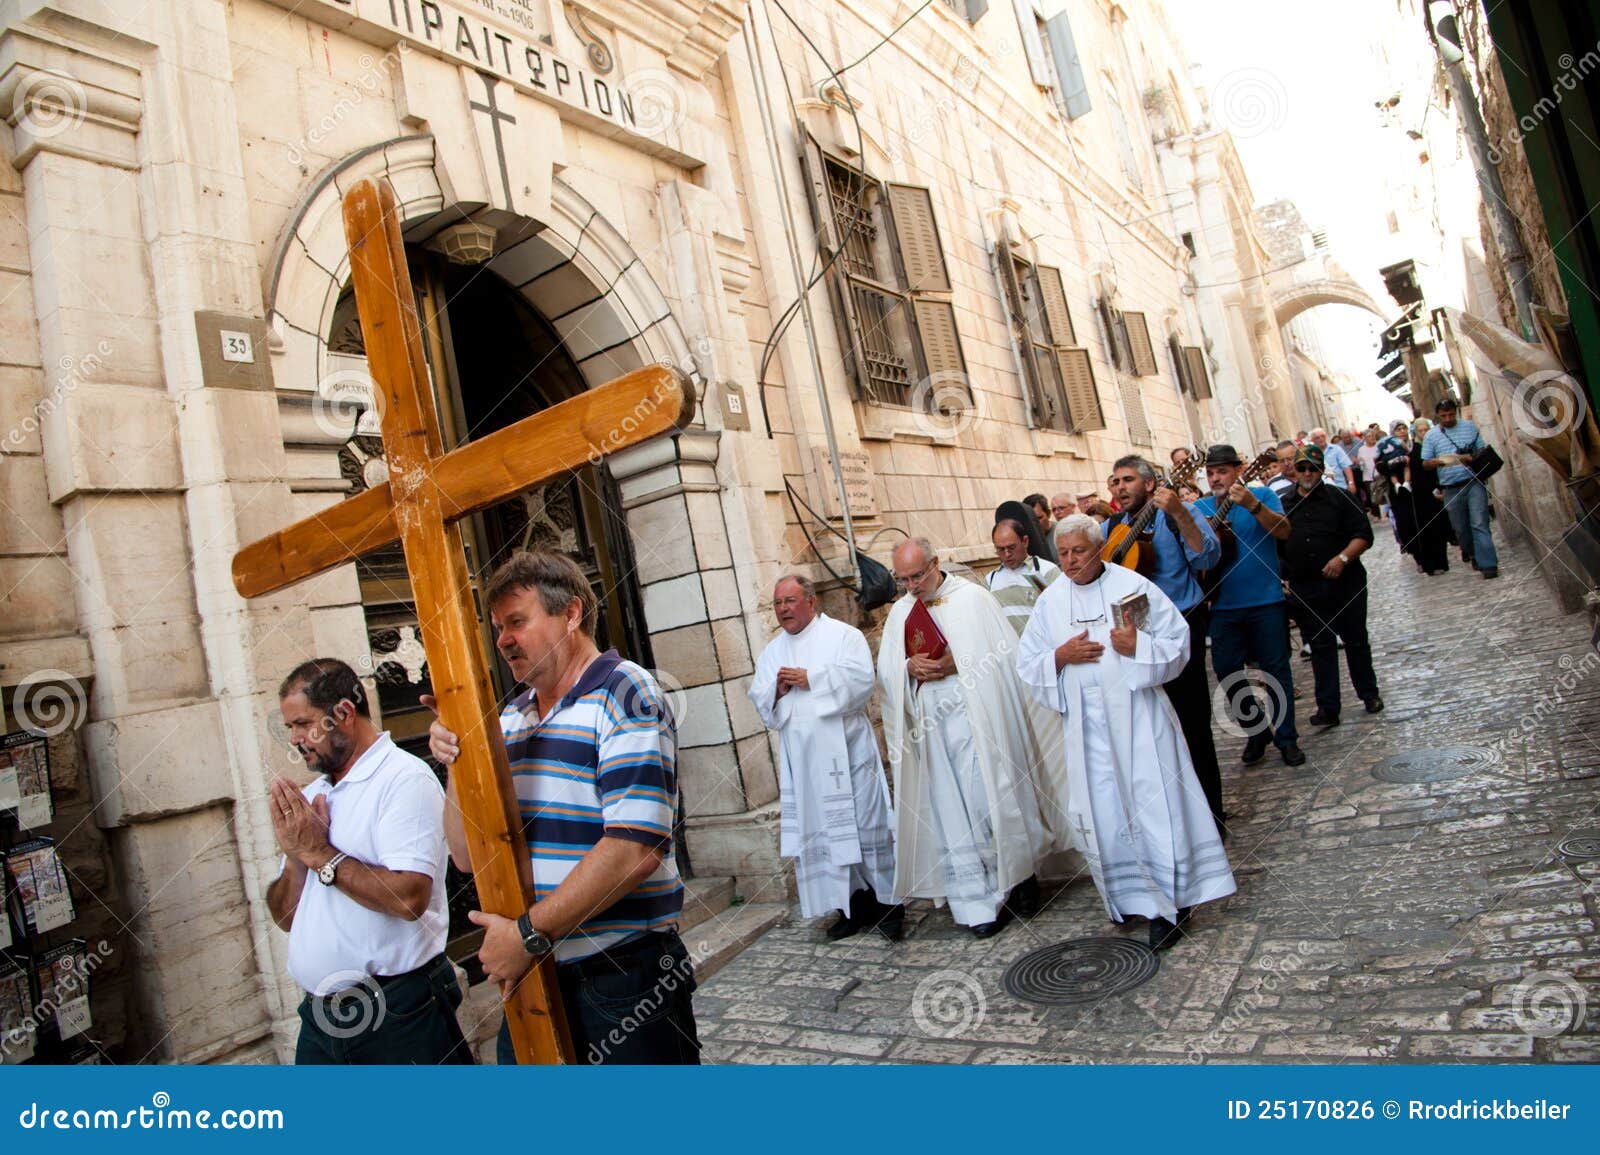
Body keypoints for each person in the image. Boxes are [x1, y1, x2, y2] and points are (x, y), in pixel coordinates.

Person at [427, 550, 699, 1065]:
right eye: (498, 627)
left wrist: (527, 933)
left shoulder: (626, 692)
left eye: (517, 621)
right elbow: (466, 856)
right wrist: (458, 764)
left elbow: (634, 850)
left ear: (571, 614)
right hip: (531, 978)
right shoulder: (509, 714)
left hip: (621, 982)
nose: (503, 639)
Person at [1017, 515, 1237, 951]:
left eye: (1078, 551)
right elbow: (1028, 663)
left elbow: (1178, 644)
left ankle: (1171, 906)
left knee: (1154, 808)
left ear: (1098, 548)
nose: (1070, 561)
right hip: (1087, 730)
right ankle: (1130, 896)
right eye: (1062, 553)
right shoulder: (1050, 601)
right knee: (1105, 811)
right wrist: (1060, 656)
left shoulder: (1132, 588)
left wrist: (1137, 646)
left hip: (1140, 722)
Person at [268, 658, 471, 1065]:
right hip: (320, 1018)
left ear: (342, 714)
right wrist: (296, 854)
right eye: (289, 727)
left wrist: (320, 854)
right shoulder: (315, 796)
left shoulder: (403, 779)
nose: (294, 738)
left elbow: (408, 898)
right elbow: (286, 916)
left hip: (396, 1011)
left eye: (303, 724)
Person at [877, 538, 1054, 937]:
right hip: (933, 730)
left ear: (936, 563)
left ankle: (1021, 880)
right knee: (952, 809)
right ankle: (977, 901)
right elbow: (886, 671)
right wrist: (908, 665)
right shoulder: (902, 611)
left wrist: (961, 661)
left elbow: (1007, 654)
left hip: (980, 720)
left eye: (917, 576)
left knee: (991, 798)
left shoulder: (973, 599)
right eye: (902, 579)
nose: (911, 587)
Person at [749, 576, 902, 941]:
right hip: (805, 766)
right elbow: (759, 698)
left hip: (848, 755)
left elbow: (863, 680)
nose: (783, 609)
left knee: (867, 827)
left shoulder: (843, 636)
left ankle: (890, 906)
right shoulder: (773, 651)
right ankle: (851, 906)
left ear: (811, 601)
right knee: (824, 832)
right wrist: (777, 688)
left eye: (789, 601)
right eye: (777, 604)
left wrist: (811, 678)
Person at [1105, 455, 1226, 831]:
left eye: (1128, 480)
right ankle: (1171, 814)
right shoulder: (1112, 526)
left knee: (1192, 723)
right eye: (1115, 481)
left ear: (1150, 483)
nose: (1120, 487)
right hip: (1137, 633)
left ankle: (1212, 815)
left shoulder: (1179, 512)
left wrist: (1181, 514)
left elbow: (1208, 554)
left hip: (1179, 628)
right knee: (1152, 725)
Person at [1192, 445, 1305, 768]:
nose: (1215, 478)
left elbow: (1283, 531)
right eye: (1211, 472)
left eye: (1222, 471)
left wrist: (1253, 505)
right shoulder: (1200, 506)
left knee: (1275, 670)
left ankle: (1287, 738)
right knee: (1226, 670)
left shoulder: (1263, 496)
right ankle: (1256, 731)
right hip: (1222, 604)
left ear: (1239, 470)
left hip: (1265, 600)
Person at [1279, 447, 1383, 727]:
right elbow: (1276, 544)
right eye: (1302, 468)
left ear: (1322, 469)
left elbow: (1363, 535)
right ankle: (1328, 708)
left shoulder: (1339, 498)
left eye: (1313, 468)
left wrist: (1342, 558)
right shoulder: (1284, 503)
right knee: (1320, 647)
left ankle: (1368, 693)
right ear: (1295, 471)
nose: (1307, 474)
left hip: (1345, 583)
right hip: (1307, 587)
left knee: (1356, 639)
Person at [1422, 397, 1500, 579]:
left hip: (1472, 482)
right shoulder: (1431, 436)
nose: (1448, 419)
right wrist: (1433, 463)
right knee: (1461, 528)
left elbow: (1482, 450)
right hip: (1450, 488)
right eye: (1443, 416)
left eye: (1450, 415)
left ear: (1455, 412)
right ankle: (1473, 553)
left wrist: (1469, 457)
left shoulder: (1469, 427)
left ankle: (1489, 565)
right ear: (1438, 416)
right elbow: (1424, 463)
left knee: (1480, 522)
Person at [1394, 418, 1450, 574]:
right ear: (1416, 432)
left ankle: (1441, 563)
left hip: (1436, 495)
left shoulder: (1432, 446)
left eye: (1426, 430)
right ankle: (1431, 565)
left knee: (1440, 529)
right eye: (1421, 430)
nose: (1424, 433)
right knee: (1428, 530)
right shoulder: (1416, 449)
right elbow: (1419, 476)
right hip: (1422, 497)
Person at [987, 518, 1062, 635]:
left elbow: (1062, 611)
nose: (1007, 554)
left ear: (1025, 541)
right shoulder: (990, 579)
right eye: (1000, 549)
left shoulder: (1046, 571)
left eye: (1011, 547)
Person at [1356, 428, 1382, 516]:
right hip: (1368, 476)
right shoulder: (1361, 449)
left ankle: (1385, 513)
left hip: (1380, 474)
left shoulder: (1379, 446)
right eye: (1369, 436)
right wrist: (1359, 462)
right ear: (1365, 438)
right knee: (1372, 495)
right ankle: (1376, 514)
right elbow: (1360, 463)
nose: (1372, 438)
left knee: (1383, 493)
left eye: (1373, 436)